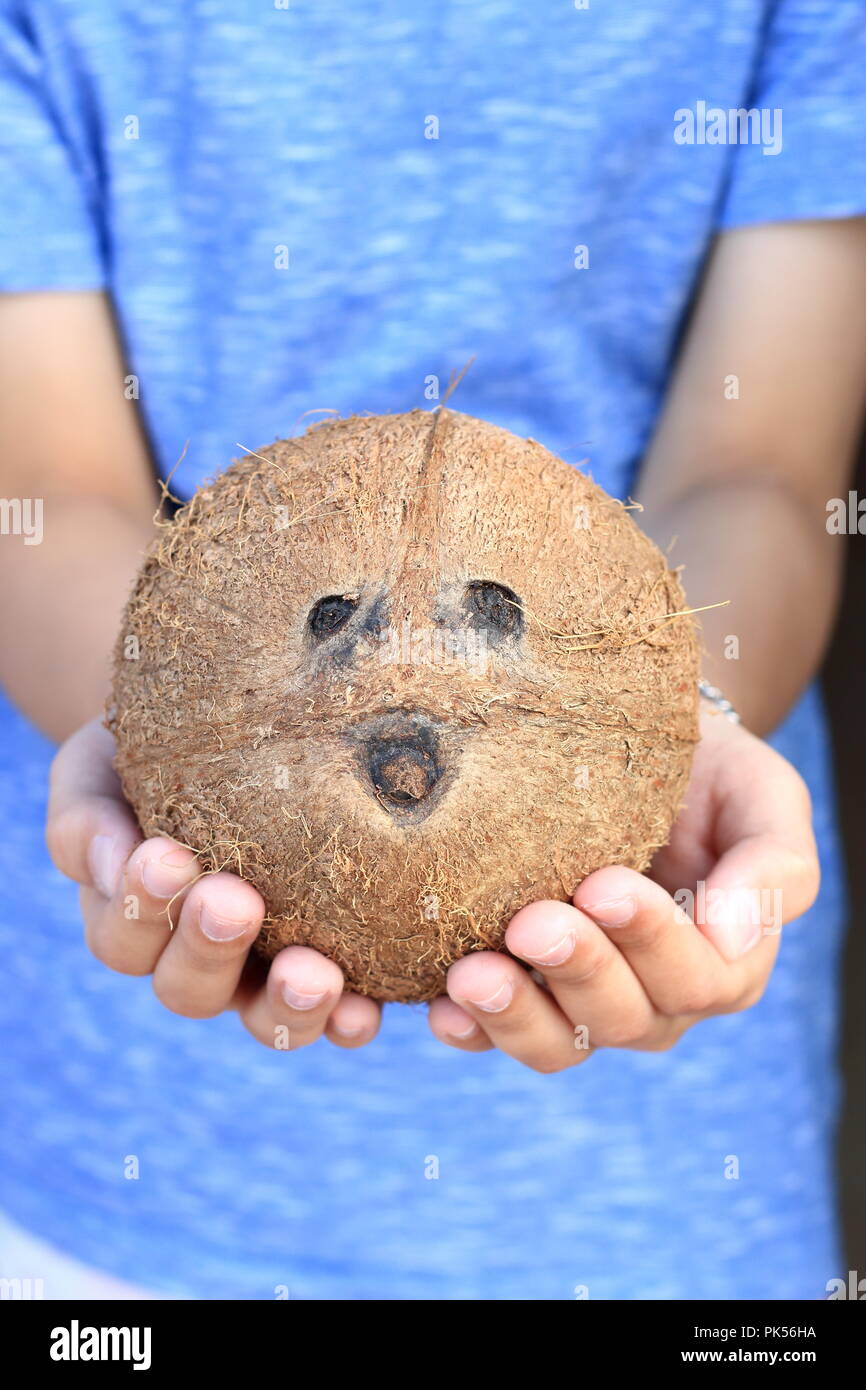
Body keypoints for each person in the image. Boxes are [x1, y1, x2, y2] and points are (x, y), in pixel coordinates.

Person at [0, 1, 864, 1300]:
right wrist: (154, 752)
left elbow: (762, 466)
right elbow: (50, 488)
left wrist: (682, 733)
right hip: (112, 1170)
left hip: (660, 1188)